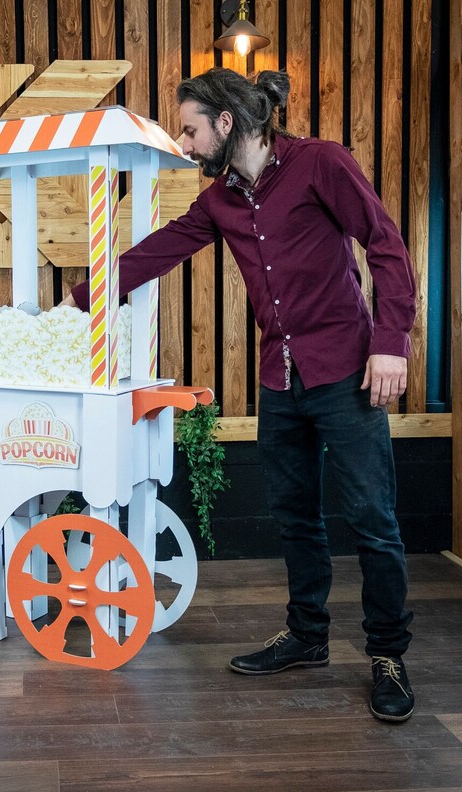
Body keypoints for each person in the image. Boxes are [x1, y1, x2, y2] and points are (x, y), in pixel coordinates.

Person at [63, 67, 416, 723]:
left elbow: (385, 244)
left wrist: (390, 339)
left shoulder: (321, 164)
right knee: (294, 515)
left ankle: (388, 656)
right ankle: (308, 637)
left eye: (192, 129)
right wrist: (79, 299)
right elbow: (160, 251)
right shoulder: (220, 200)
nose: (186, 142)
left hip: (345, 370)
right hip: (280, 378)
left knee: (373, 518)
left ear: (227, 123)